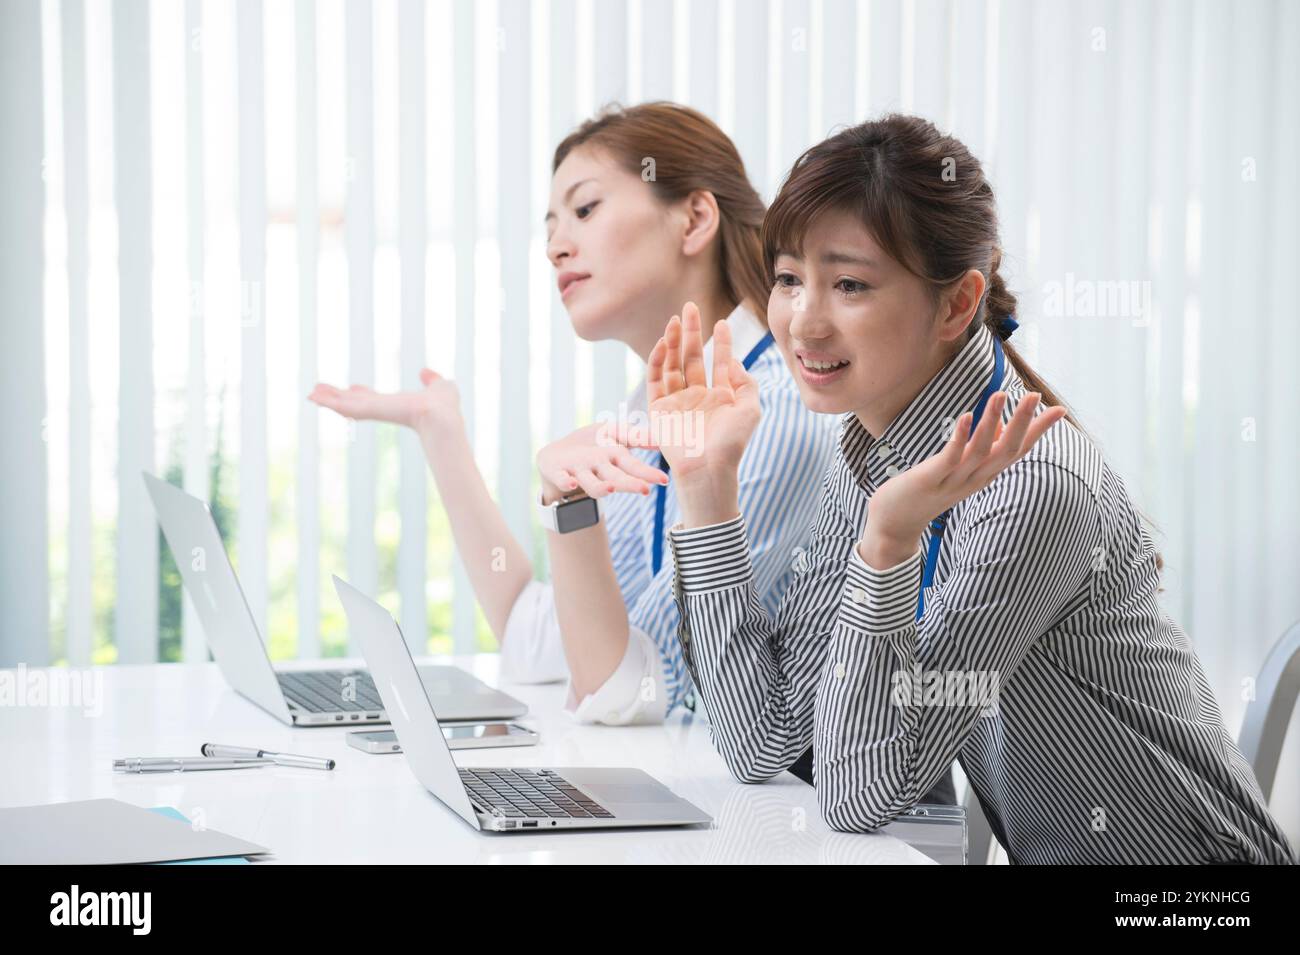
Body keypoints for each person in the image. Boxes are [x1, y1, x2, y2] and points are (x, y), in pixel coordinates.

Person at [634, 114, 1295, 863]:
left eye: (848, 283)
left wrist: (885, 543)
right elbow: (764, 737)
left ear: (955, 303)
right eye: (789, 278)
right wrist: (706, 488)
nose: (803, 322)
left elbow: (859, 794)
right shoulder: (872, 451)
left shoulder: (1030, 487)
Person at [308, 103, 841, 744]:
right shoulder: (649, 410)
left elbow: (636, 690)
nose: (557, 245)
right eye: (551, 224)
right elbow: (542, 643)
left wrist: (570, 504)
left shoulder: (778, 416)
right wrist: (440, 431)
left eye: (585, 209)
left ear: (695, 218)